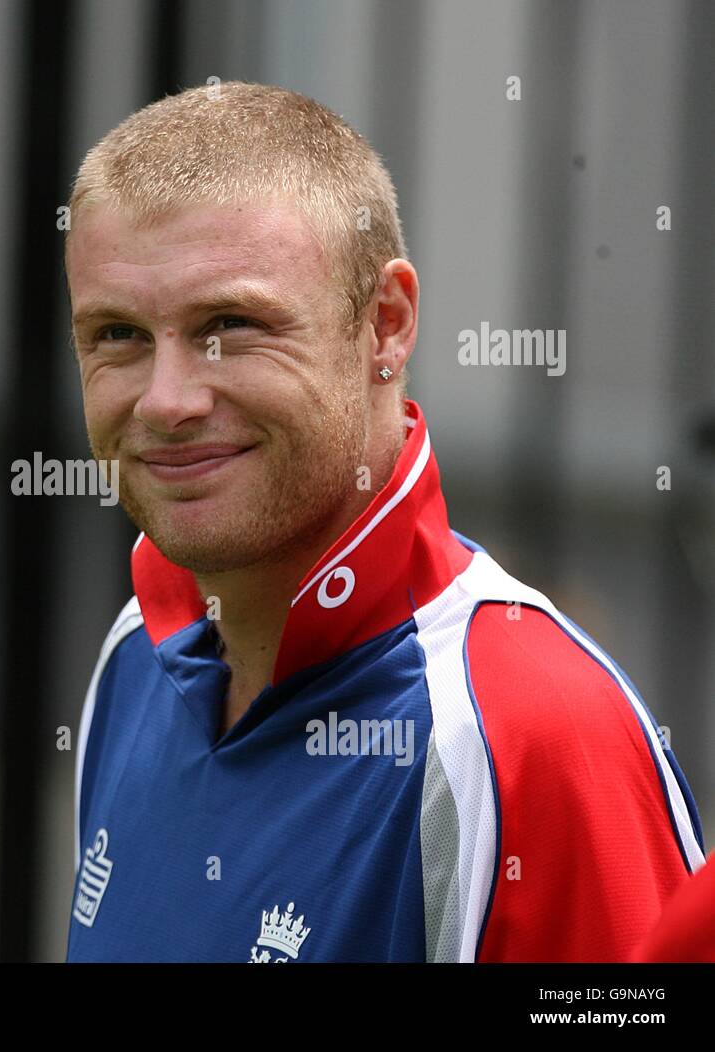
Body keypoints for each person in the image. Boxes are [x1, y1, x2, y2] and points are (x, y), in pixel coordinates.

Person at [63, 82, 703, 962]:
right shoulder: (133, 654)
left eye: (230, 324)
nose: (167, 400)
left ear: (386, 326)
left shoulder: (535, 730)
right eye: (118, 336)